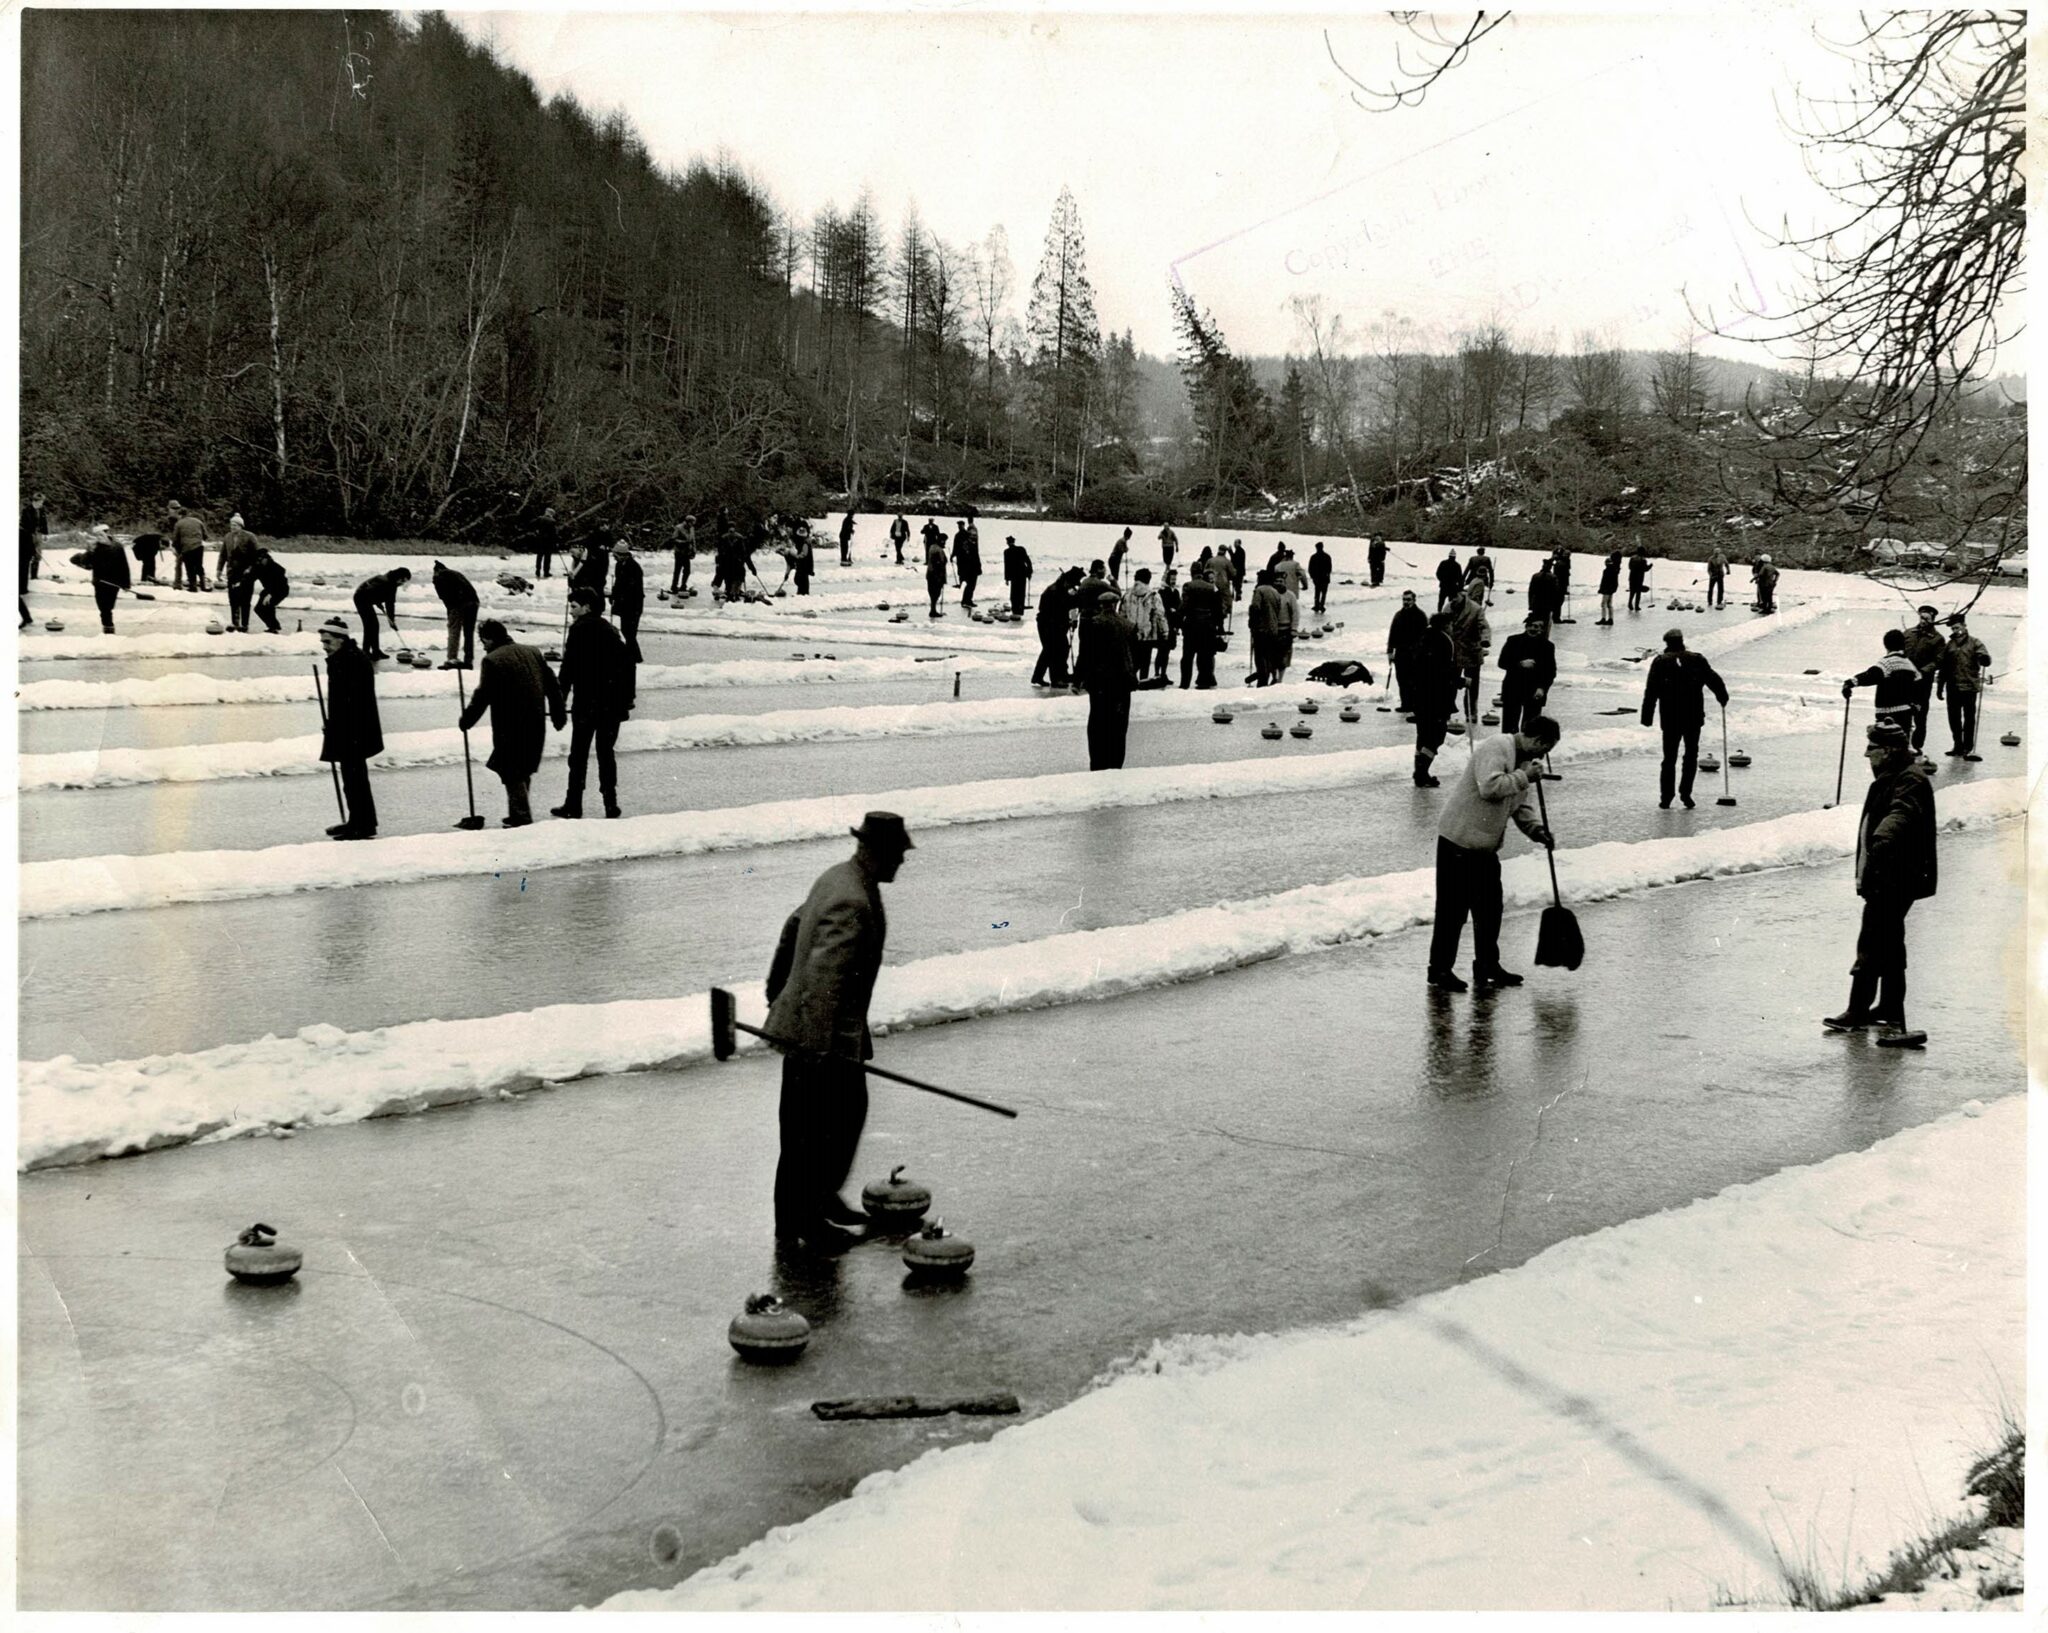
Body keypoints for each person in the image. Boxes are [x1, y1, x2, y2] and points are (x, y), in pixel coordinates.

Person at [763, 811, 915, 1253]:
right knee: (821, 1128)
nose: (902, 861)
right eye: (897, 853)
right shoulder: (852, 898)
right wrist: (816, 1047)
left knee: (813, 1128)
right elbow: (823, 980)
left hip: (817, 1031)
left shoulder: (839, 878)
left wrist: (776, 991)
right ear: (876, 852)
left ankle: (810, 1207)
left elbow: (793, 927)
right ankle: (808, 1221)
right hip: (822, 1039)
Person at [1427, 714, 1560, 992]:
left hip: (1484, 847)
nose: (1543, 756)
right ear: (1537, 740)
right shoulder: (1497, 746)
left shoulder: (1523, 760)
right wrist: (1524, 777)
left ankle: (1487, 965)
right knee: (1453, 911)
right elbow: (1489, 787)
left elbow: (1518, 803)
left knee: (1490, 909)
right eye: (1545, 749)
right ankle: (1439, 970)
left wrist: (1536, 830)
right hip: (1459, 841)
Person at [1824, 720, 1936, 1045]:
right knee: (1889, 939)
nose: (1867, 754)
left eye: (1871, 749)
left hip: (1895, 875)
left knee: (1873, 940)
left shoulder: (1909, 780)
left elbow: (1902, 813)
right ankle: (1889, 1007)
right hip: (1891, 873)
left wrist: (1883, 836)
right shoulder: (1896, 775)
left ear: (1887, 750)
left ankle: (1857, 1011)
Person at [459, 618, 561, 828]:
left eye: (483, 641)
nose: (483, 646)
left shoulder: (492, 660)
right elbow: (552, 683)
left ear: (489, 638)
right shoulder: (532, 651)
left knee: (511, 769)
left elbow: (483, 695)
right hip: (535, 719)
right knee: (523, 767)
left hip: (510, 724)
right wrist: (558, 713)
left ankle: (522, 817)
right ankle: (517, 813)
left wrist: (467, 720)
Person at [551, 586, 635, 819]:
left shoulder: (578, 630)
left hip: (586, 703)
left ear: (586, 607)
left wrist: (559, 702)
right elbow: (628, 666)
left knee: (578, 755)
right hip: (612, 705)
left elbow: (568, 669)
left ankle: (573, 804)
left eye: (574, 606)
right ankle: (610, 802)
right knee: (606, 753)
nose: (571, 611)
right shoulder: (612, 631)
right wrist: (627, 700)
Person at [1640, 627, 1730, 809]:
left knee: (1669, 758)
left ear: (1667, 643)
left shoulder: (1660, 661)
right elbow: (1713, 679)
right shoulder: (1697, 659)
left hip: (1670, 717)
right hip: (1693, 715)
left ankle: (1666, 797)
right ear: (1682, 641)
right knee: (1691, 755)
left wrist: (1647, 716)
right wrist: (1722, 696)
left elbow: (1651, 690)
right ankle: (1686, 794)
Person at [317, 615, 383, 840]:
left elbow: (352, 700)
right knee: (352, 778)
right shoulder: (344, 657)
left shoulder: (350, 660)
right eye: (323, 642)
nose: (324, 647)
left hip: (355, 729)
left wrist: (335, 725)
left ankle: (363, 825)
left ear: (341, 639)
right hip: (350, 728)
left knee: (355, 779)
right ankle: (358, 821)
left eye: (328, 642)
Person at [1074, 582, 1137, 769]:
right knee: (1119, 725)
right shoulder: (1128, 625)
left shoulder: (1093, 624)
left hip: (1100, 682)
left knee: (1098, 723)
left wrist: (1077, 680)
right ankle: (1116, 764)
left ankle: (1098, 763)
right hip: (1123, 683)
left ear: (1101, 605)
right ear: (1116, 605)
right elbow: (1137, 655)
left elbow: (1085, 655)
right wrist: (1131, 672)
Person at [1936, 612, 1992, 762]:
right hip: (1952, 687)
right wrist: (1940, 686)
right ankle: (1957, 746)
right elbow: (1943, 667)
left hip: (1969, 687)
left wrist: (1984, 659)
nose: (1955, 631)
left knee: (1969, 718)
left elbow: (1984, 656)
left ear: (1964, 626)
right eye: (1953, 629)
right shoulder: (1949, 645)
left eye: (1957, 627)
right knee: (1954, 718)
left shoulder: (1975, 642)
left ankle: (1968, 747)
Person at [1842, 629, 1920, 736]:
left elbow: (1871, 676)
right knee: (1902, 742)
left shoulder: (1886, 663)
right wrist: (1915, 704)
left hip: (1887, 714)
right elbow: (1918, 685)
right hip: (1906, 713)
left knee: (1884, 743)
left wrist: (1850, 683)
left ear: (1886, 645)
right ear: (1903, 645)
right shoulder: (1909, 665)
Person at [1496, 612, 1556, 735]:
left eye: (1540, 627)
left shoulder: (1547, 646)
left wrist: (1542, 688)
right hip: (1513, 687)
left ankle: (1527, 747)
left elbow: (1550, 671)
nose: (1536, 629)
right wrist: (1520, 664)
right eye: (1533, 626)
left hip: (1534, 690)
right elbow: (1502, 662)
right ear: (1527, 626)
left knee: (1530, 730)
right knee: (1509, 729)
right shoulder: (1513, 641)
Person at [1898, 604, 1947, 753]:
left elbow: (1938, 661)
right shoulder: (1908, 633)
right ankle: (1903, 744)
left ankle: (1917, 745)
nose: (1923, 621)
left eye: (1927, 618)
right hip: (1904, 680)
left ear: (1933, 619)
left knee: (1920, 715)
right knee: (1903, 712)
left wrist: (1922, 672)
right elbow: (1899, 652)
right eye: (1921, 617)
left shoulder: (1938, 639)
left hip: (1923, 682)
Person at [70, 523, 131, 633]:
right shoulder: (115, 546)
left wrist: (126, 584)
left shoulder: (102, 547)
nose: (99, 536)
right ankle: (108, 627)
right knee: (107, 607)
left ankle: (108, 629)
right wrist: (126, 583)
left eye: (100, 534)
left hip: (105, 582)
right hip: (108, 582)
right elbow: (124, 565)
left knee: (105, 607)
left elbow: (86, 562)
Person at [1033, 567, 1081, 687]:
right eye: (1072, 584)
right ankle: (1056, 679)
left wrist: (1073, 619)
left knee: (1054, 649)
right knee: (1055, 650)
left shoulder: (1062, 589)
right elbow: (1060, 609)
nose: (1072, 587)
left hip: (1053, 624)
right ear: (1066, 581)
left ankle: (1041, 676)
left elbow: (1070, 606)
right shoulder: (1055, 591)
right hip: (1048, 624)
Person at [1449, 585, 1491, 722]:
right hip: (1454, 652)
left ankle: (1471, 712)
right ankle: (1448, 709)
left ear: (1461, 595)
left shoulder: (1475, 608)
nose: (1452, 600)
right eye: (1450, 598)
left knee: (1472, 685)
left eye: (1455, 597)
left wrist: (1485, 640)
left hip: (1471, 651)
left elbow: (1483, 626)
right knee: (1450, 682)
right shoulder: (1448, 607)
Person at [1178, 565, 1222, 689]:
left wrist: (1178, 621)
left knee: (1187, 657)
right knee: (1205, 656)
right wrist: (1217, 625)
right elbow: (1218, 609)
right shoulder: (1211, 587)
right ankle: (1204, 683)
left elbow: (1184, 606)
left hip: (1191, 626)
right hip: (1207, 627)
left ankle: (1185, 684)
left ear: (1192, 572)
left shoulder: (1188, 586)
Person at [352, 565, 410, 659]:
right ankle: (366, 652)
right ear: (399, 577)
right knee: (370, 625)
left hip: (366, 598)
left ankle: (375, 651)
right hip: (361, 598)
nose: (402, 583)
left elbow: (385, 598)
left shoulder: (390, 581)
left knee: (374, 625)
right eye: (403, 580)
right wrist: (391, 620)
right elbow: (389, 603)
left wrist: (379, 603)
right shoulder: (387, 583)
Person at [1121, 567, 1168, 681]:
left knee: (1132, 660)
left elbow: (1122, 614)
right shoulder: (1153, 595)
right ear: (1148, 579)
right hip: (1147, 633)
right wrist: (1165, 631)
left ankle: (1130, 682)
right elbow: (1160, 615)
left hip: (1130, 632)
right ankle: (1143, 682)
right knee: (1145, 662)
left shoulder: (1127, 595)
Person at [1387, 588, 1428, 714]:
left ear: (1414, 600)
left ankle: (1415, 705)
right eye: (1404, 599)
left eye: (1409, 599)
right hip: (1401, 653)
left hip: (1416, 654)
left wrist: (1424, 653)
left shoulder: (1421, 616)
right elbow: (1392, 634)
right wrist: (1390, 651)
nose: (1406, 602)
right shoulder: (1398, 615)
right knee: (1402, 679)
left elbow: (1425, 636)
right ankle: (1405, 704)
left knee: (1415, 680)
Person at [432, 559, 478, 669]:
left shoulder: (438, 576)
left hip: (459, 603)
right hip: (474, 602)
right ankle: (468, 661)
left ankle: (452, 659)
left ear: (436, 570)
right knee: (468, 633)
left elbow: (444, 597)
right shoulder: (456, 574)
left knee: (454, 631)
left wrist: (451, 613)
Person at [217, 515, 260, 632]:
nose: (232, 527)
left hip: (246, 574)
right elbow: (223, 555)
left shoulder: (250, 537)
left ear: (241, 526)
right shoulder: (227, 537)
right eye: (231, 524)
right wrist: (219, 570)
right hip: (232, 573)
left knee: (245, 599)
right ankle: (235, 623)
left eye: (235, 525)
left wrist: (251, 569)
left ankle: (245, 624)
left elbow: (257, 556)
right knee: (233, 599)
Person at [605, 539, 645, 659]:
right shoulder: (619, 565)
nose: (614, 558)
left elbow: (631, 588)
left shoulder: (634, 568)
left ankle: (634, 656)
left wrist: (618, 596)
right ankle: (632, 655)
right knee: (626, 630)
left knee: (629, 631)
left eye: (616, 555)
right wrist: (614, 595)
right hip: (624, 603)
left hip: (633, 603)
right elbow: (618, 583)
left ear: (623, 555)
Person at [1246, 568, 1283, 686]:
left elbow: (1255, 607)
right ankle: (1268, 679)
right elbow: (1278, 610)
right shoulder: (1275, 592)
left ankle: (1262, 682)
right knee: (1268, 656)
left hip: (1261, 629)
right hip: (1273, 629)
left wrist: (1252, 622)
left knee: (1260, 656)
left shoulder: (1259, 590)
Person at [250, 547, 290, 634]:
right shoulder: (258, 567)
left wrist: (270, 594)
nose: (260, 562)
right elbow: (251, 578)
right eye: (258, 560)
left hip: (280, 590)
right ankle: (273, 626)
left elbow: (278, 583)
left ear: (266, 558)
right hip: (268, 590)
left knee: (268, 606)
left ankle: (273, 627)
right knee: (258, 609)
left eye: (261, 559)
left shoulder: (276, 568)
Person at [170, 503, 209, 592]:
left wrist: (177, 549)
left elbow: (175, 539)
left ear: (180, 515)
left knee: (190, 567)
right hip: (199, 547)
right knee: (199, 566)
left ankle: (193, 586)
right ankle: (203, 585)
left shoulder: (178, 524)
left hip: (187, 548)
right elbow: (205, 536)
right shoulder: (198, 521)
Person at [1156, 566, 1181, 682]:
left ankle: (1163, 674)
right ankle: (1158, 674)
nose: (1174, 581)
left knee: (1166, 651)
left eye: (1175, 579)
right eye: (1172, 579)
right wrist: (1171, 610)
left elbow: (1178, 607)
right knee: (1162, 651)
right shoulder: (1162, 592)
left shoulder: (1175, 592)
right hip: (1164, 625)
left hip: (1172, 624)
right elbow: (1161, 608)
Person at [951, 518, 981, 611]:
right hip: (969, 566)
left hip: (970, 566)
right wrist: (953, 554)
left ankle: (967, 600)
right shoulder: (967, 543)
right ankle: (966, 600)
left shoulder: (968, 540)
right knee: (970, 584)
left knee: (971, 584)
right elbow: (956, 547)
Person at [20, 491, 47, 582]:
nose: (41, 504)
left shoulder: (41, 510)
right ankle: (24, 576)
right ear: (35, 501)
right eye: (40, 502)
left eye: (42, 502)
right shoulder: (26, 510)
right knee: (29, 555)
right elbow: (24, 524)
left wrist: (45, 534)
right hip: (29, 535)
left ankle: (34, 576)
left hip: (38, 534)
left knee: (38, 554)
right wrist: (30, 534)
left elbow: (44, 522)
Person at [1003, 535, 1032, 617]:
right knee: (1021, 593)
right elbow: (1028, 561)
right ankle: (1020, 611)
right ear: (1014, 541)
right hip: (1022, 574)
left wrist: (1006, 579)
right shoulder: (1021, 549)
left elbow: (1006, 566)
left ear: (1007, 543)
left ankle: (1015, 611)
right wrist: (1029, 572)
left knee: (1014, 594)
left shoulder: (1006, 552)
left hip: (1014, 575)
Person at [923, 526, 949, 618]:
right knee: (936, 593)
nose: (945, 543)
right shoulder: (938, 550)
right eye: (944, 541)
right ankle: (933, 611)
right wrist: (941, 577)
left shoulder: (932, 547)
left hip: (930, 574)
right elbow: (940, 563)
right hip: (936, 575)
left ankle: (933, 610)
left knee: (932, 593)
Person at [669, 517, 697, 596]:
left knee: (687, 571)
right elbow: (673, 539)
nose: (692, 525)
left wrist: (694, 550)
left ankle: (683, 585)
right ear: (687, 522)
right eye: (691, 523)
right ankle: (674, 586)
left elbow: (693, 540)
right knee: (677, 570)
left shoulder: (691, 528)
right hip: (679, 552)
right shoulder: (679, 528)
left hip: (687, 552)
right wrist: (683, 542)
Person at [533, 507, 560, 579]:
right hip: (549, 541)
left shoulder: (539, 518)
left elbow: (534, 527)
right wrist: (556, 542)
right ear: (551, 514)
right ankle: (546, 572)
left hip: (540, 540)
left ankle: (538, 570)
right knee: (547, 557)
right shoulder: (553, 521)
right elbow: (554, 533)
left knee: (539, 556)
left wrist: (537, 534)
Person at [1596, 550, 1621, 625]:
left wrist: (1601, 589)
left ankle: (1603, 618)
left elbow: (1604, 581)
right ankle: (1610, 619)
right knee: (1609, 604)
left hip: (1606, 589)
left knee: (1603, 604)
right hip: (1611, 589)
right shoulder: (1615, 570)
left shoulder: (1606, 571)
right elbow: (1615, 581)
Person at [788, 525, 814, 597]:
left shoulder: (805, 544)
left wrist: (797, 557)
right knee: (802, 580)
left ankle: (802, 593)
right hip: (804, 565)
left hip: (804, 565)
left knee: (801, 579)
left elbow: (804, 554)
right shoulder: (805, 543)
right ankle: (803, 593)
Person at [1308, 543, 1332, 615]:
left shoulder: (1313, 557)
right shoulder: (1327, 556)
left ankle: (1316, 605)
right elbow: (1329, 568)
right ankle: (1321, 605)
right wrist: (1327, 575)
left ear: (1316, 548)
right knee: (1323, 593)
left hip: (1317, 578)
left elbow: (1310, 568)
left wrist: (1312, 576)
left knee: (1317, 592)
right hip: (1324, 577)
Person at [1626, 543, 1651, 612]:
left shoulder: (1632, 558)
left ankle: (1630, 604)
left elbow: (1629, 567)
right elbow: (1645, 569)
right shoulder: (1643, 560)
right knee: (1638, 592)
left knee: (1632, 592)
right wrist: (1650, 566)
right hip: (1639, 578)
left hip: (1632, 577)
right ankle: (1636, 606)